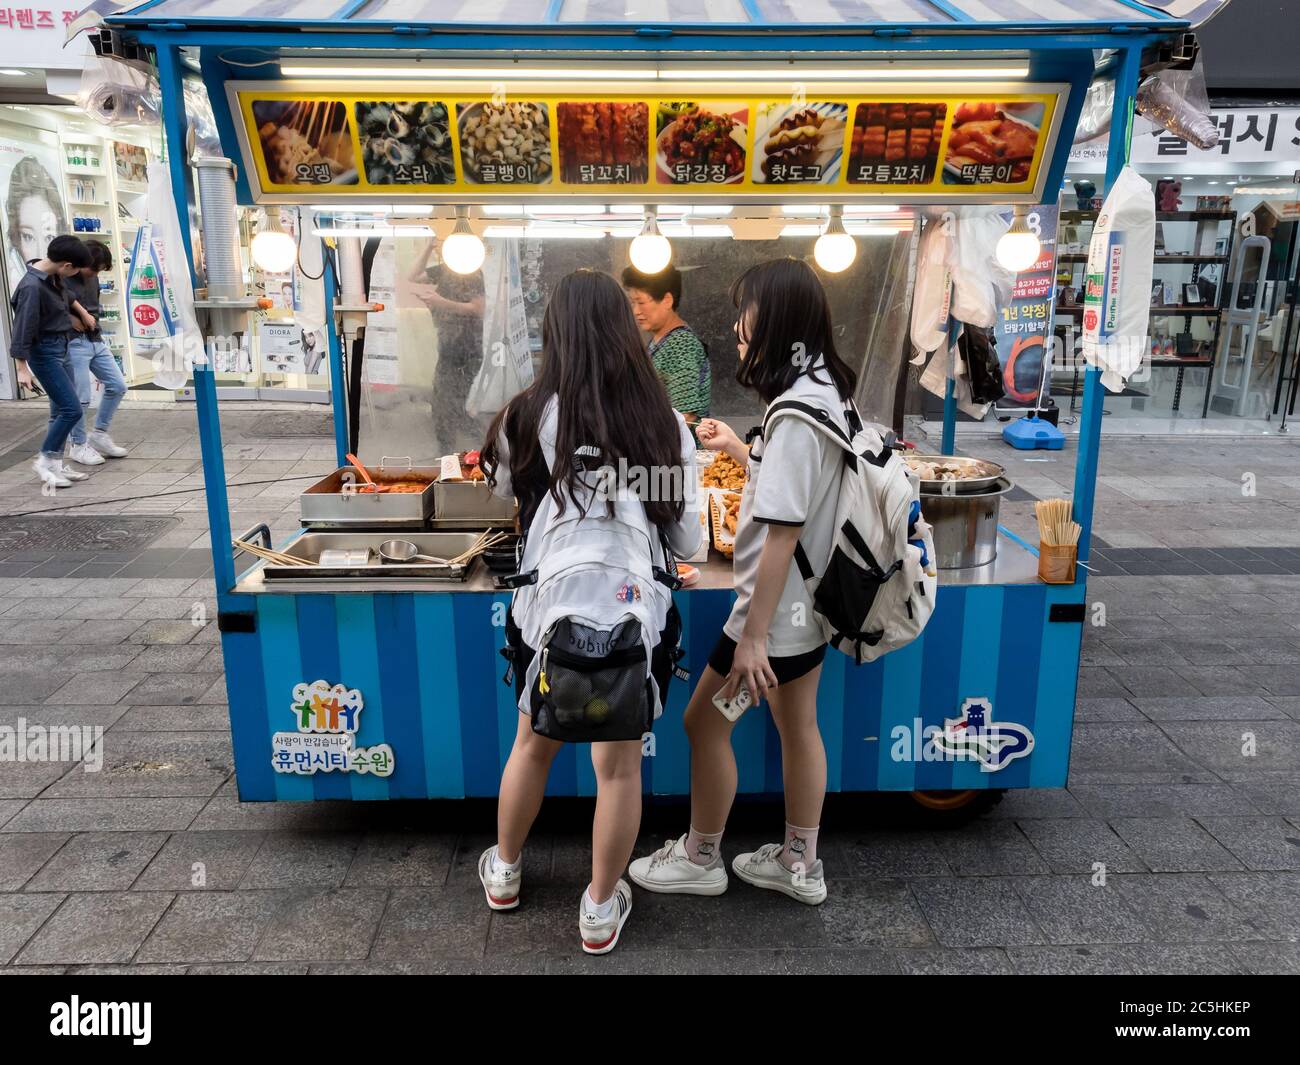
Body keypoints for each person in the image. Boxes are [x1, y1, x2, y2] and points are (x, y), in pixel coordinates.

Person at [478, 269, 700, 954]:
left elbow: (500, 499)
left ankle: (506, 872)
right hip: (635, 614)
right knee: (620, 767)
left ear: (555, 333)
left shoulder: (522, 414)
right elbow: (690, 540)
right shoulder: (662, 423)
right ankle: (600, 908)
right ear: (624, 332)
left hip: (548, 612)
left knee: (533, 743)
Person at [628, 257, 857, 907]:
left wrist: (754, 637)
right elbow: (796, 486)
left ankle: (701, 855)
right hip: (806, 612)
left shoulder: (792, 412)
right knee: (798, 725)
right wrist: (736, 447)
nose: (736, 324)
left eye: (746, 310)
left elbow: (781, 529)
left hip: (771, 620)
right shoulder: (824, 391)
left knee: (703, 723)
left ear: (777, 319)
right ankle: (799, 860)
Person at [10, 235, 94, 489]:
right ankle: (45, 460)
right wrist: (21, 368)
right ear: (66, 265)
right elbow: (22, 329)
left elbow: (67, 297)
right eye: (76, 269)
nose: (75, 274)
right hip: (45, 353)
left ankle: (55, 465)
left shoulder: (52, 276)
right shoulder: (32, 287)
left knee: (61, 409)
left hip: (62, 347)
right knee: (72, 409)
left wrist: (82, 312)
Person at [409, 236, 485, 452]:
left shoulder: (472, 273)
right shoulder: (444, 270)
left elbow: (478, 308)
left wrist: (440, 302)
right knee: (443, 406)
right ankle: (449, 452)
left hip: (467, 352)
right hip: (448, 349)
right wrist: (427, 246)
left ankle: (477, 447)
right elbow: (413, 276)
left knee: (453, 408)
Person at [621, 264, 711, 433]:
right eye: (633, 303)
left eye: (640, 302)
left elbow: (685, 415)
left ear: (667, 300)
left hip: (675, 453)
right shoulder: (661, 341)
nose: (636, 311)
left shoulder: (681, 344)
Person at [63, 239, 129, 466]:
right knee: (80, 398)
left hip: (95, 339)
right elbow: (48, 307)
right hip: (73, 343)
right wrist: (70, 319)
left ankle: (99, 434)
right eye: (94, 268)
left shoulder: (93, 279)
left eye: (100, 269)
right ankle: (78, 445)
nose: (95, 273)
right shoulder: (62, 277)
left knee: (118, 385)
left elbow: (92, 305)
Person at [5, 156, 68, 289]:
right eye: (28, 237)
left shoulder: (57, 284)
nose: (40, 253)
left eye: (49, 237)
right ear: (16, 238)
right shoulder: (27, 287)